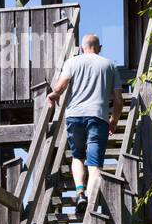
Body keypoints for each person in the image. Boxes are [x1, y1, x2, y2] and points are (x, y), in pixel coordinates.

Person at [47, 33, 122, 214]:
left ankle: (80, 193)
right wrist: (113, 121)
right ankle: (92, 202)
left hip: (74, 117)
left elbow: (60, 87)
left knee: (77, 157)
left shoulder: (72, 62)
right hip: (98, 118)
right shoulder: (109, 65)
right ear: (100, 48)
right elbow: (119, 100)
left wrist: (53, 95)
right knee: (94, 164)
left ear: (81, 48)